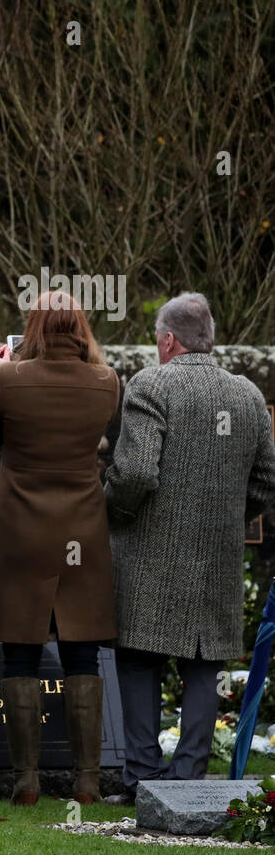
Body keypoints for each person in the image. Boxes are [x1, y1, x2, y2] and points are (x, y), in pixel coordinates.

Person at [104, 292, 275, 802]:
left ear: (168, 339)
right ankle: (189, 779)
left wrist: (117, 513)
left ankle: (141, 778)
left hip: (149, 551)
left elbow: (134, 471)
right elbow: (267, 481)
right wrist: (229, 518)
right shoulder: (247, 395)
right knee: (204, 664)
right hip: (219, 555)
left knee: (138, 659)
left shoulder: (151, 384)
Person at [0, 291, 120, 805]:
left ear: (33, 328)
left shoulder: (10, 378)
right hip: (81, 527)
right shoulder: (106, 381)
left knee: (21, 653)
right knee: (83, 652)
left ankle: (26, 781)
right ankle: (86, 781)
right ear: (79, 326)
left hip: (20, 526)